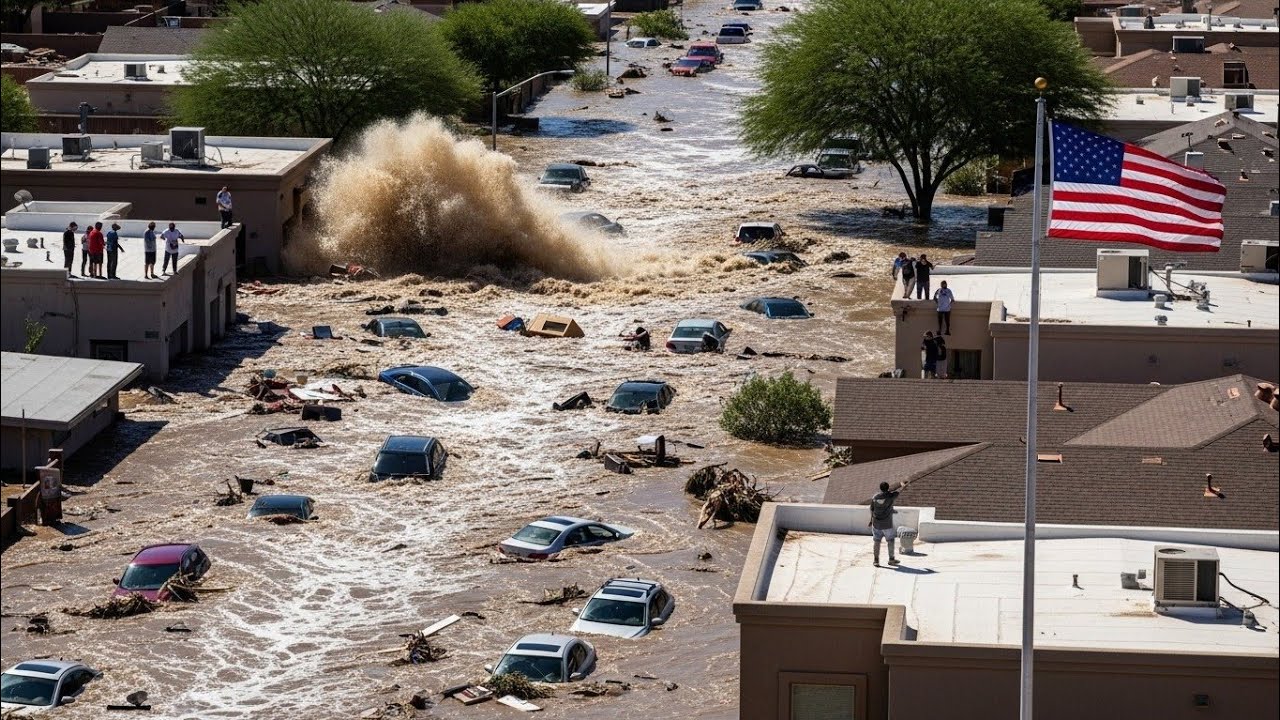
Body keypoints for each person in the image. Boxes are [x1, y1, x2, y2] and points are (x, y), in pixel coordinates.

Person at [869, 481, 900, 567]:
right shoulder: (890, 497)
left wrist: (871, 520)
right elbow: (897, 492)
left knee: (876, 541)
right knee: (890, 540)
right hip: (887, 523)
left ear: (880, 488)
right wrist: (890, 491)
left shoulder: (875, 497)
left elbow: (872, 509)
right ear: (887, 488)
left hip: (876, 523)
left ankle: (876, 561)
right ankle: (891, 559)